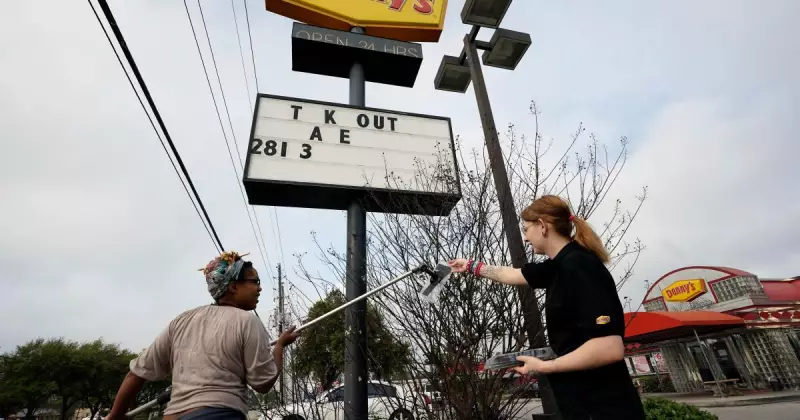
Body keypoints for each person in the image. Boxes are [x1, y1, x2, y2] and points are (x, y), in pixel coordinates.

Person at [448, 195, 645, 420]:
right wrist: (471, 266)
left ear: (542, 225)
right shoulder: (557, 266)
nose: (525, 237)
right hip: (582, 405)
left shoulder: (580, 266)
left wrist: (544, 367)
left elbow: (609, 347)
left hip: (605, 407)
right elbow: (512, 274)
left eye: (526, 229)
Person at [106, 251, 301, 420]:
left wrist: (114, 416)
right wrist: (280, 346)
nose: (260, 288)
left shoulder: (181, 321)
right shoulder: (247, 321)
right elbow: (263, 383)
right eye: (255, 281)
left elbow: (136, 373)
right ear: (233, 287)